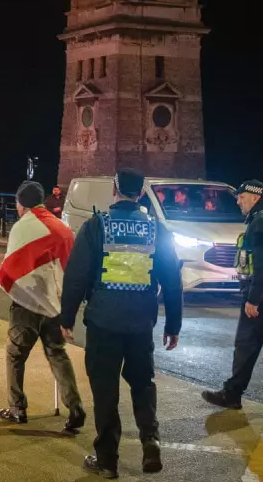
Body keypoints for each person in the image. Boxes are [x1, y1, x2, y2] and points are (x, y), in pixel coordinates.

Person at [60, 169, 182, 478]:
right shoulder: (158, 230)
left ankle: (107, 460)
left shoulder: (96, 226)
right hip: (141, 323)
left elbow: (76, 277)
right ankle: (150, 441)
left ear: (115, 190)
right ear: (141, 193)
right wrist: (173, 325)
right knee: (143, 383)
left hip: (103, 322)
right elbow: (172, 282)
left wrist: (66, 318)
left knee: (105, 390)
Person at [0, 181, 85, 429]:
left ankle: (17, 408)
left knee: (15, 356)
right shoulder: (63, 229)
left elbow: (12, 267)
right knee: (58, 354)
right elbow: (69, 269)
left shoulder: (21, 228)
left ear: (20, 203)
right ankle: (75, 406)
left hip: (26, 304)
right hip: (55, 305)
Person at [203, 180, 263, 410]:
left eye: (242, 196)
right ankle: (232, 392)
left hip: (257, 297)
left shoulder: (259, 222)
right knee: (247, 346)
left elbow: (261, 264)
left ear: (256, 197)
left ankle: (232, 394)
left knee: (246, 345)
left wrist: (253, 298)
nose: (238, 201)